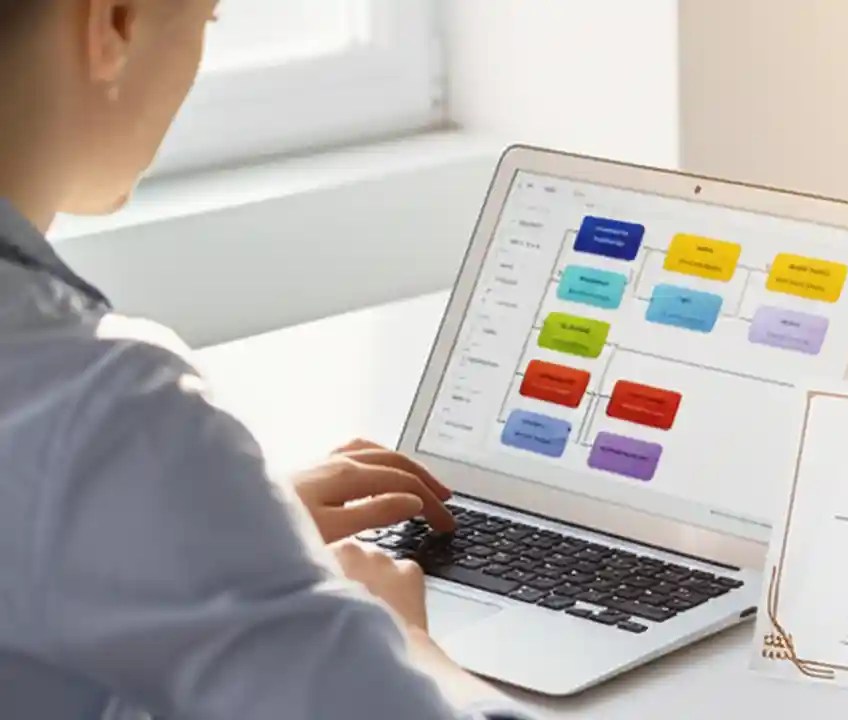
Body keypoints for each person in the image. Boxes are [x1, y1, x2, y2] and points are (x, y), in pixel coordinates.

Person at [0, 1, 534, 718]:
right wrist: (403, 642)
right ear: (114, 22)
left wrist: (198, 536)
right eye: (209, 18)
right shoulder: (104, 406)